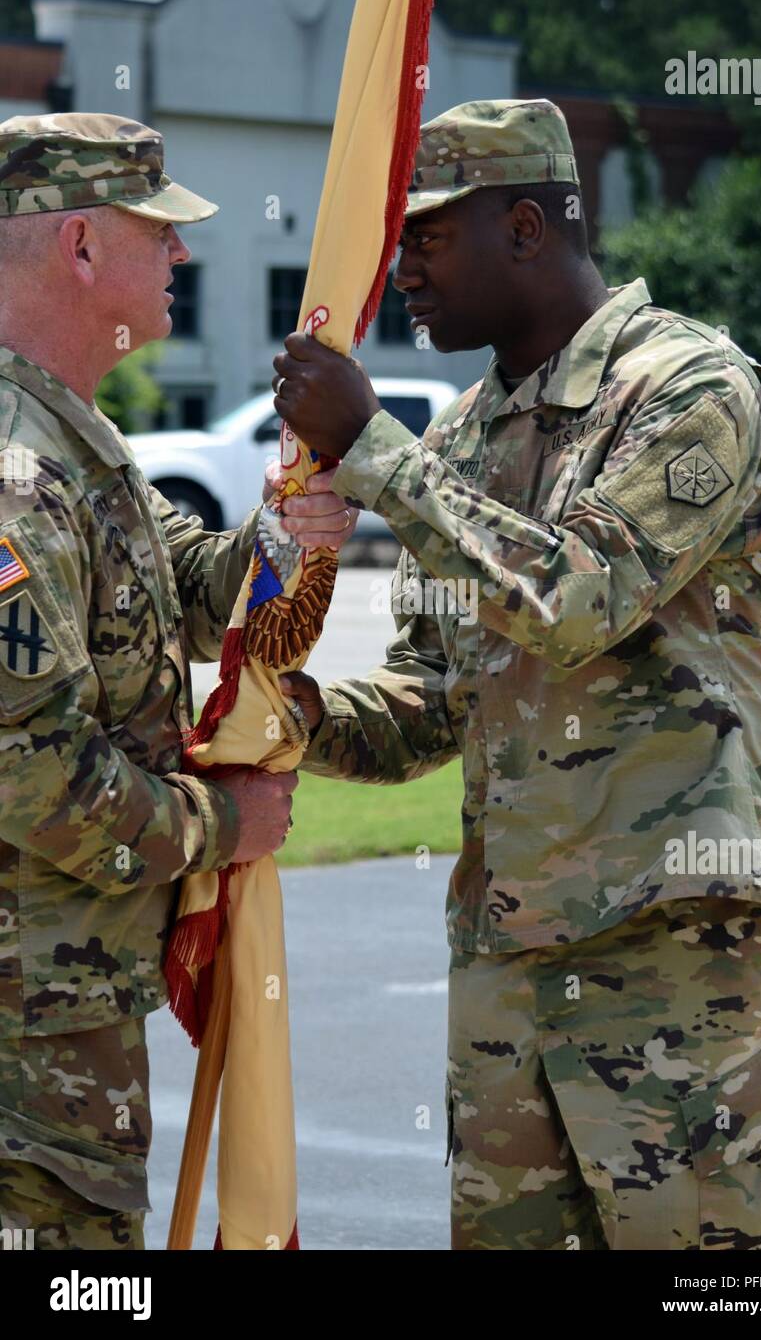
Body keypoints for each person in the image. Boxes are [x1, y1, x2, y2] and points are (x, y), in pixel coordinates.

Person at [273, 98, 761, 1250]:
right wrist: (286, 711)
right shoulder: (465, 439)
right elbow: (428, 703)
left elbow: (575, 599)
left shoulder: (688, 389)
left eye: (424, 238)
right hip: (510, 969)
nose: (402, 276)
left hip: (682, 961)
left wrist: (374, 451)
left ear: (524, 228)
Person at [0, 112, 355, 1250]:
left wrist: (292, 526)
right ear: (81, 250)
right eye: (159, 231)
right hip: (25, 1028)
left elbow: (203, 587)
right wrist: (225, 823)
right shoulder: (16, 476)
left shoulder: (75, 445)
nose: (183, 257)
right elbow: (31, 773)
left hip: (63, 1000)